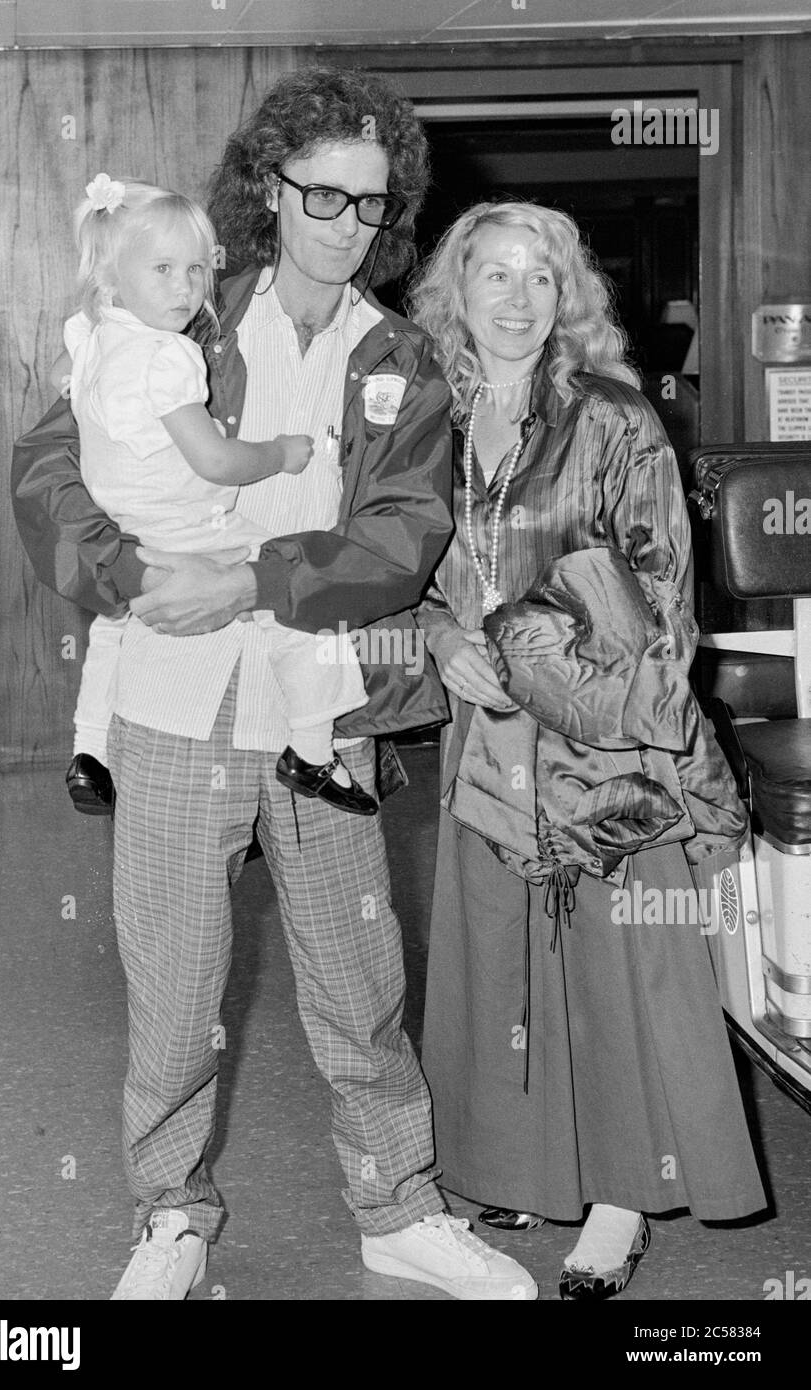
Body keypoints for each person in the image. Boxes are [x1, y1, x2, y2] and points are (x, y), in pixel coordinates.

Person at [11, 68, 537, 1301]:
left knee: (361, 982)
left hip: (327, 710)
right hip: (176, 704)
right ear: (269, 188)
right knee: (177, 979)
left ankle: (398, 1208)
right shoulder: (179, 309)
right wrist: (138, 571)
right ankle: (170, 1220)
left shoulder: (400, 354)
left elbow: (403, 538)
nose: (345, 223)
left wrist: (242, 579)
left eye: (370, 203)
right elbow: (49, 466)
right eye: (320, 194)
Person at [410, 200, 766, 1299]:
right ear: (455, 298)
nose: (519, 299)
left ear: (570, 299)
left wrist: (524, 657)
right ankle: (530, 1165)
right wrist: (435, 637)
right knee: (505, 958)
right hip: (484, 743)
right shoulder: (426, 415)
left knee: (622, 968)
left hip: (607, 734)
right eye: (496, 277)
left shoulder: (615, 420)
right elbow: (394, 561)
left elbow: (661, 604)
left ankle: (623, 1197)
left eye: (542, 278)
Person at [54, 172, 375, 819]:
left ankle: (89, 751)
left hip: (129, 528)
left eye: (197, 270)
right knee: (297, 596)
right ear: (113, 277)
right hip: (187, 524)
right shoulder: (169, 355)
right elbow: (216, 459)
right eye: (164, 269)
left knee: (112, 625)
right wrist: (281, 454)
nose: (185, 287)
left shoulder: (88, 339)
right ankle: (313, 753)